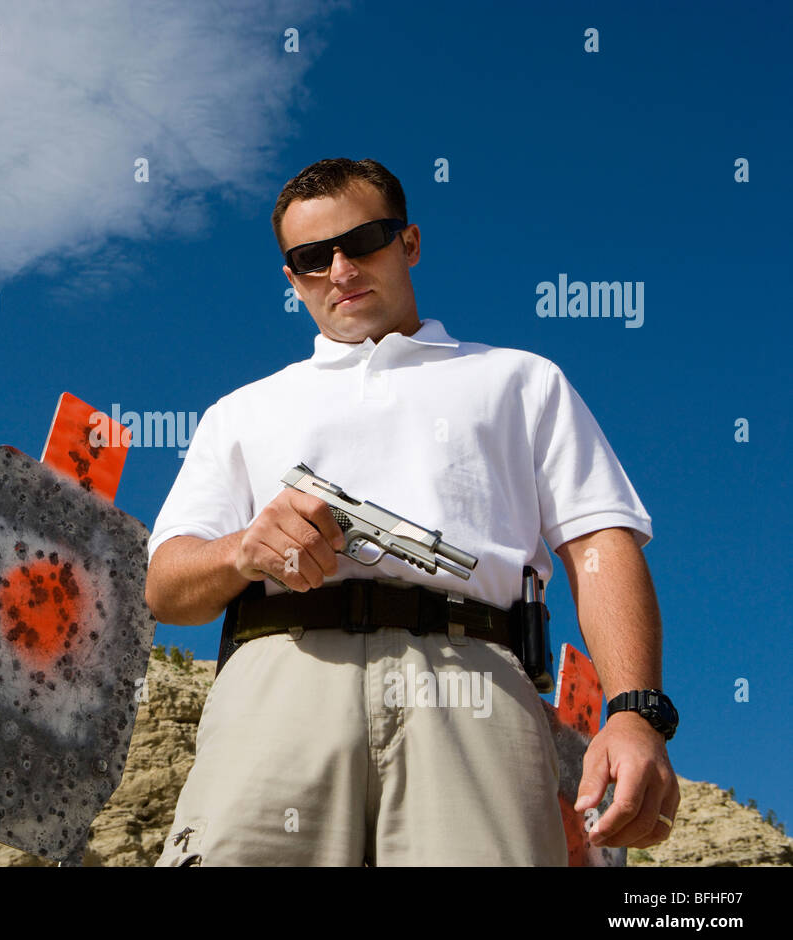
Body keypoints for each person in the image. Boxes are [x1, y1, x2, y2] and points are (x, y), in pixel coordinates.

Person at [146, 157, 679, 866]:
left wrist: (636, 714)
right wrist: (241, 550)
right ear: (290, 278)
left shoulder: (523, 380)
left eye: (362, 241)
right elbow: (164, 587)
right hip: (277, 679)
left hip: (475, 683)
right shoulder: (237, 412)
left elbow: (600, 542)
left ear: (410, 243)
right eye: (310, 258)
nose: (339, 270)